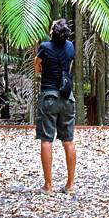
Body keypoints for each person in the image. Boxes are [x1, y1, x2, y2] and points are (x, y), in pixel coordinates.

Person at [34, 18, 76, 192]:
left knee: (46, 140)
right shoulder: (70, 47)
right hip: (67, 97)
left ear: (52, 32)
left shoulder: (44, 47)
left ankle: (48, 185)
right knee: (68, 141)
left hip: (49, 96)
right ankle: (70, 185)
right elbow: (69, 66)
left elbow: (37, 68)